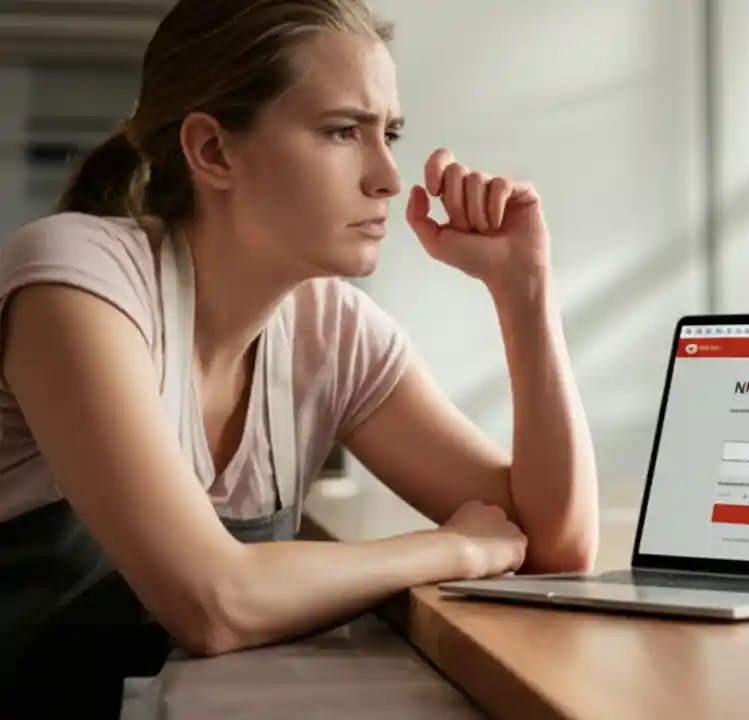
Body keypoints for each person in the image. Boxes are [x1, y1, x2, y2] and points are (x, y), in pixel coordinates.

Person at [0, 0, 598, 713]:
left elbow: (554, 550)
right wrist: (454, 550)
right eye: (343, 131)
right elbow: (214, 601)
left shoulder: (332, 330)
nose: (388, 177)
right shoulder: (78, 281)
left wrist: (524, 290)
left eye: (391, 133)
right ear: (213, 152)